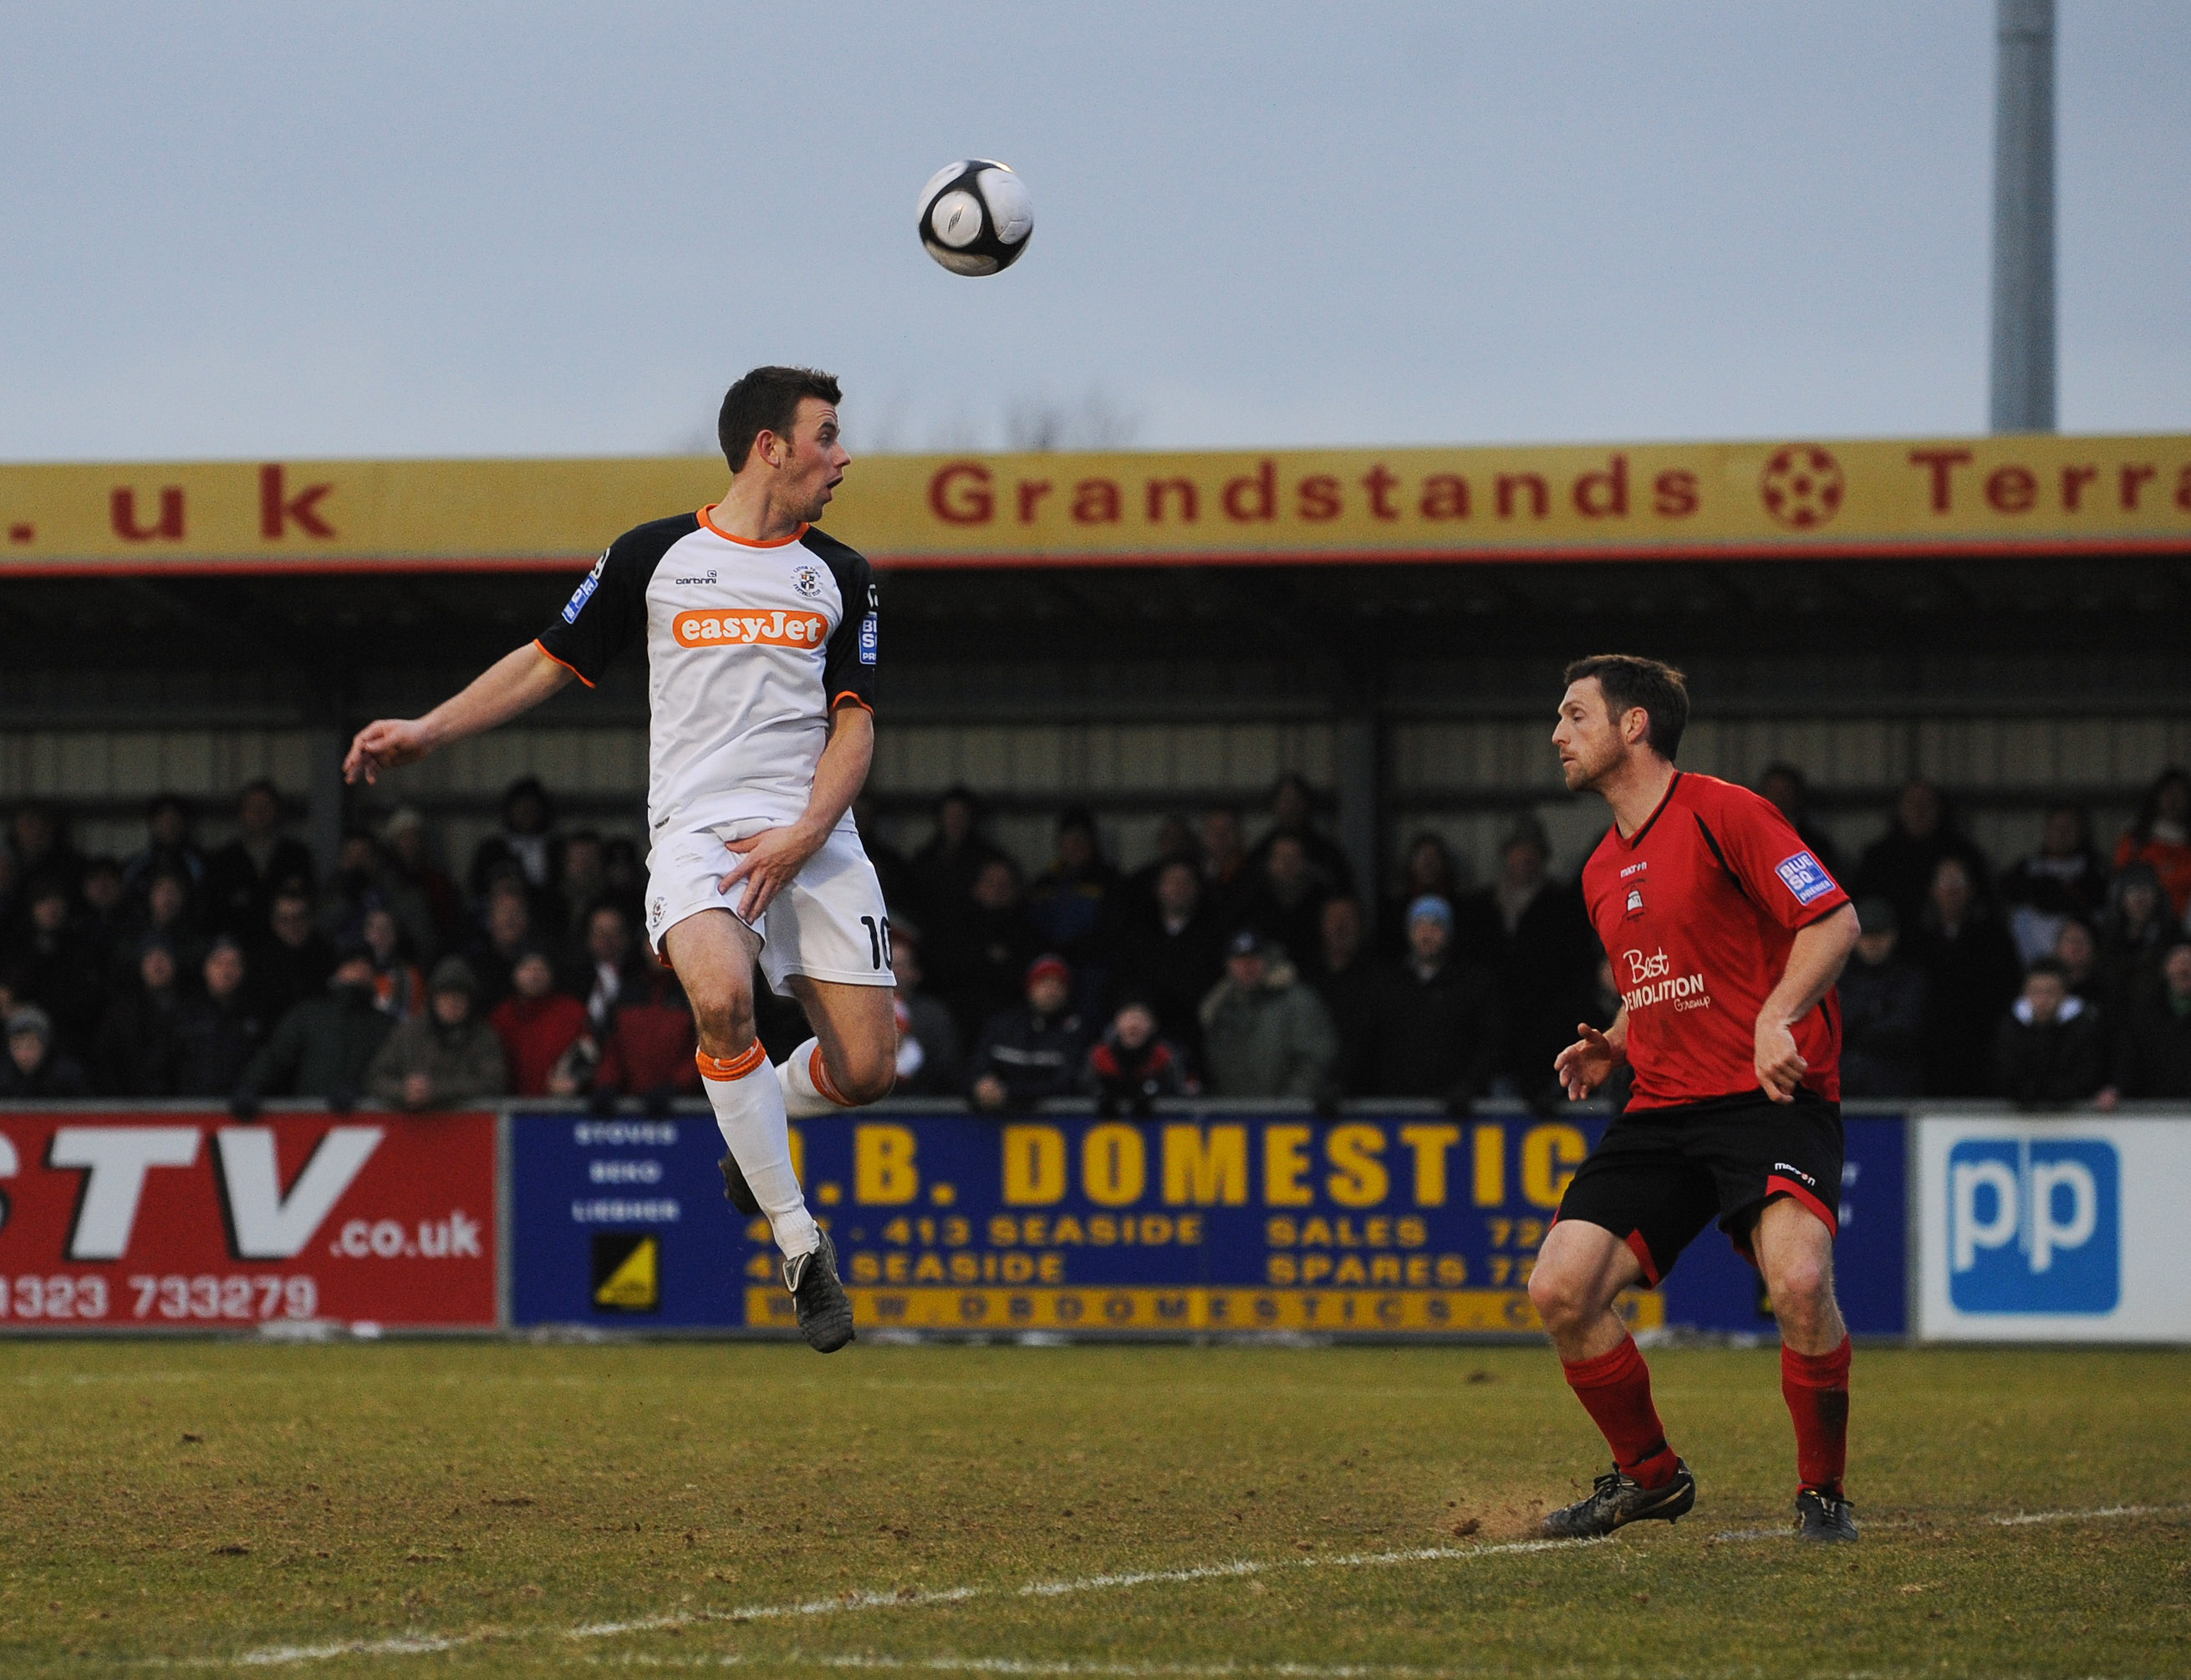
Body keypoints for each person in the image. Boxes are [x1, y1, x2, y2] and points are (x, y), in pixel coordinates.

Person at [345, 365, 892, 1352]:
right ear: (769, 445)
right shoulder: (654, 555)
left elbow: (854, 727)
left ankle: (748, 1136)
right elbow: (546, 658)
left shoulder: (842, 575)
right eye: (825, 436)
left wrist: (809, 830)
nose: (842, 456)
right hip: (697, 835)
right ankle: (801, 1244)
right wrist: (426, 731)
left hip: (814, 833)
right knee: (722, 1002)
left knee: (868, 1069)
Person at [1535, 654, 1862, 1544]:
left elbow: (1832, 920)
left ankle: (1821, 1494)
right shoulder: (1600, 870)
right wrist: (1615, 1040)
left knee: (1796, 1284)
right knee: (1560, 1290)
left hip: (1766, 1097)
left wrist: (1778, 1017)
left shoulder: (1727, 813)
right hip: (1662, 1109)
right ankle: (1648, 1479)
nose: (1556, 735)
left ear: (1631, 725)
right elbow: (1664, 983)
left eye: (1572, 715)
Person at [1460, 818, 1600, 1093]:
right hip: (1490, 1039)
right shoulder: (1481, 907)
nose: (1525, 857)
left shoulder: (1564, 906)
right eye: (1519, 850)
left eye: (1532, 851)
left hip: (1547, 1039)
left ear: (1543, 857)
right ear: (1506, 855)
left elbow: (1576, 977)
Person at [1368, 895, 1504, 1109]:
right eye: (1419, 926)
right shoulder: (1387, 985)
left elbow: (1490, 1041)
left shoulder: (1473, 984)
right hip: (1397, 1106)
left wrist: (1469, 1086)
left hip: (1457, 1107)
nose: (1426, 934)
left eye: (1435, 926)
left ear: (1449, 933)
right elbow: (1368, 1041)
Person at [232, 942, 395, 1111]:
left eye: (367, 967)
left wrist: (361, 1091)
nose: (361, 972)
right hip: (311, 1117)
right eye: (353, 965)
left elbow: (389, 1072)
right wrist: (251, 1084)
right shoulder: (310, 1015)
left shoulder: (385, 1024)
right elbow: (277, 1055)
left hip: (367, 1121)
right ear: (338, 971)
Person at [1908, 857, 2022, 1097]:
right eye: (1945, 883)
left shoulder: (1994, 939)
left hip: (1982, 1050)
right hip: (1931, 1055)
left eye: (1958, 883)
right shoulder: (1917, 941)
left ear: (1971, 890)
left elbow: (2007, 994)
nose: (1951, 891)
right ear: (1933, 890)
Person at [1198, 929, 1338, 1102]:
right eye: (1240, 960)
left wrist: (1288, 1106)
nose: (1247, 966)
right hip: (1235, 1120)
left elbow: (1315, 1059)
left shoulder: (1296, 1001)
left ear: (1267, 960)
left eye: (1254, 959)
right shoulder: (1219, 1011)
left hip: (1291, 1120)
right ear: (1228, 965)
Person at [1110, 858, 1224, 1061]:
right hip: (1147, 1034)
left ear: (1197, 889)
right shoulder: (1138, 936)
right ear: (1159, 889)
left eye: (1185, 882)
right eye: (1172, 882)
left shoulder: (1213, 938)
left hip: (1196, 1036)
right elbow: (1124, 982)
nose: (1178, 888)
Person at [1852, 779, 1991, 937]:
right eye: (1912, 804)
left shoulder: (1963, 855)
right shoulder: (1877, 858)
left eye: (1926, 805)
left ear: (1939, 809)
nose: (1919, 811)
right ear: (1900, 809)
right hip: (1895, 946)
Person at [366, 957, 507, 1111]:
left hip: (466, 1126)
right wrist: (403, 1090)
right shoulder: (408, 1033)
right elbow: (376, 1077)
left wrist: (437, 1091)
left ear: (470, 1002)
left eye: (459, 998)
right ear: (433, 1000)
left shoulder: (483, 1037)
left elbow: (493, 1081)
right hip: (412, 1126)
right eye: (445, 998)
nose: (452, 1004)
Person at [967, 955, 1090, 1113]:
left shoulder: (1075, 1031)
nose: (1051, 991)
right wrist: (979, 1086)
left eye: (1058, 985)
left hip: (1052, 1125)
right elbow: (974, 1069)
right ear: (1030, 987)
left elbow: (1068, 1084)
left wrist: (1010, 1093)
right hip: (995, 1126)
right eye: (1044, 983)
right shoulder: (1003, 1025)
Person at [1835, 899, 1929, 1099]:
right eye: (1867, 934)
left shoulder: (1910, 979)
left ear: (1894, 936)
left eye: (1880, 933)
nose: (1873, 941)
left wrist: (1857, 1021)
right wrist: (1875, 1009)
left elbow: (1904, 1031)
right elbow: (1834, 1029)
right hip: (1845, 1092)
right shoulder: (1837, 978)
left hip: (1896, 1091)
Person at [202, 781, 314, 938]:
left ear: (277, 811)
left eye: (265, 806)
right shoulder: (225, 859)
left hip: (286, 942)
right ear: (242, 812)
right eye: (252, 807)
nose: (259, 813)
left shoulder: (296, 855)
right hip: (239, 942)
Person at [1999, 805, 2108, 965]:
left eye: (2069, 827)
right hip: (2034, 958)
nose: (2062, 833)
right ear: (2047, 831)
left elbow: (2094, 899)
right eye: (2057, 827)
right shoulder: (2027, 869)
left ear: (2081, 832)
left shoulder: (2095, 869)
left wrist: (2051, 892)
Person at [1992, 958, 2105, 1109]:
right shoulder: (2010, 1028)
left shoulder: (2083, 1028)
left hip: (2072, 1118)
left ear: (2064, 994)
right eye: (2036, 991)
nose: (2043, 1000)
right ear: (2025, 993)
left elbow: (2087, 1077)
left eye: (2051, 992)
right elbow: (2004, 1077)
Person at [489, 948, 591, 1097]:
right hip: (512, 1111)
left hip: (564, 1107)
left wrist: (576, 1081)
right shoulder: (501, 1016)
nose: (534, 975)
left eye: (541, 969)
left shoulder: (573, 1011)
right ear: (515, 974)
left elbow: (590, 1051)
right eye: (527, 968)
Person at [92, 936, 186, 1097]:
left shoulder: (191, 1011)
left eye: (163, 958)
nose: (157, 965)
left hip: (183, 1108)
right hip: (129, 1108)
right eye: (151, 959)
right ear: (141, 965)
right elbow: (106, 1062)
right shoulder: (121, 1014)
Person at [172, 937, 265, 1098]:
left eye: (233, 963)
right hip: (192, 1110)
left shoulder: (256, 1014)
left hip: (240, 1113)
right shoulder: (185, 1014)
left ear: (243, 970)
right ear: (206, 968)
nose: (226, 971)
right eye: (218, 963)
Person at [1309, 895, 1379, 1097]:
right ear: (1322, 926)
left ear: (1361, 926)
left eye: (1347, 918)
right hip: (1311, 1099)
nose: (1340, 926)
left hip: (1369, 1099)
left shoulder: (1379, 982)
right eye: (1333, 918)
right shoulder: (1307, 981)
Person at [885, 924, 962, 1098]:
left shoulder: (934, 1015)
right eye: (890, 964)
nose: (895, 972)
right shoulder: (862, 1011)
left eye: (901, 965)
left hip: (923, 1105)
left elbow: (947, 1065)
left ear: (916, 973)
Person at [2109, 941, 2191, 1102]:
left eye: (2189, 963)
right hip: (2153, 1109)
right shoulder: (2144, 1013)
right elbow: (2129, 1059)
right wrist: (2116, 1088)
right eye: (2178, 962)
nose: (2184, 969)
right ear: (2166, 968)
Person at [1086, 996, 1195, 1116]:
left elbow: (1179, 1091)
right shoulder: (1101, 1056)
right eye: (1127, 1019)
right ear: (1117, 1023)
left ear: (1152, 1025)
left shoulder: (1163, 1056)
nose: (1133, 1025)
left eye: (1140, 1019)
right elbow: (1084, 1086)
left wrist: (1154, 1094)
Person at [1248, 773, 1353, 895]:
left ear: (1306, 803)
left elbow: (1339, 890)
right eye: (1286, 801)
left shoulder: (1326, 851)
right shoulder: (1262, 850)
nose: (1291, 807)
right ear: (1275, 805)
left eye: (1296, 800)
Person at [1242, 833, 1329, 981]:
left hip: (1314, 980)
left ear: (1305, 862)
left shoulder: (1323, 902)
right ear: (1270, 863)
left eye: (1294, 857)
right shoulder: (1251, 900)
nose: (1288, 864)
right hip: (1263, 980)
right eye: (1281, 858)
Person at [250, 886, 335, 1026]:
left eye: (299, 917)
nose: (293, 926)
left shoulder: (328, 955)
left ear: (311, 919)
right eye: (284, 919)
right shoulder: (260, 964)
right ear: (274, 923)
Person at [2112, 768, 2191, 920]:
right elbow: (2119, 885)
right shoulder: (2134, 842)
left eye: (2180, 794)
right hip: (2141, 928)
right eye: (2168, 793)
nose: (2173, 799)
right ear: (2157, 797)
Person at [1756, 763, 1844, 883]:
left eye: (1785, 791)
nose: (1778, 798)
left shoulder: (1816, 844)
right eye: (1773, 790)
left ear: (1797, 795)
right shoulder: (1746, 837)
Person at [1381, 832, 1462, 958]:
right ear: (1411, 863)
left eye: (1434, 857)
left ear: (1444, 863)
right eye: (1422, 856)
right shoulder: (1394, 910)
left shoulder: (1461, 908)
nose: (1428, 863)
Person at [0, 1005, 90, 1098]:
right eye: (17, 1047)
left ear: (45, 1045)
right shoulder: (3, 1076)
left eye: (31, 1046)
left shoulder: (68, 1077)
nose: (24, 1055)